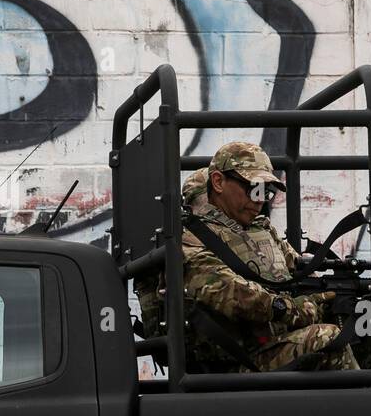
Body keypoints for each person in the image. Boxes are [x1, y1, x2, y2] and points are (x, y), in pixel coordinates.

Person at [137, 141, 358, 372]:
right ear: (218, 182)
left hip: (273, 345)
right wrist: (293, 309)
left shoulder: (259, 230)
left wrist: (334, 297)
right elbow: (229, 291)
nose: (260, 199)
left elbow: (299, 273)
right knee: (327, 337)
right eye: (254, 188)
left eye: (267, 192)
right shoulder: (188, 236)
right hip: (233, 363)